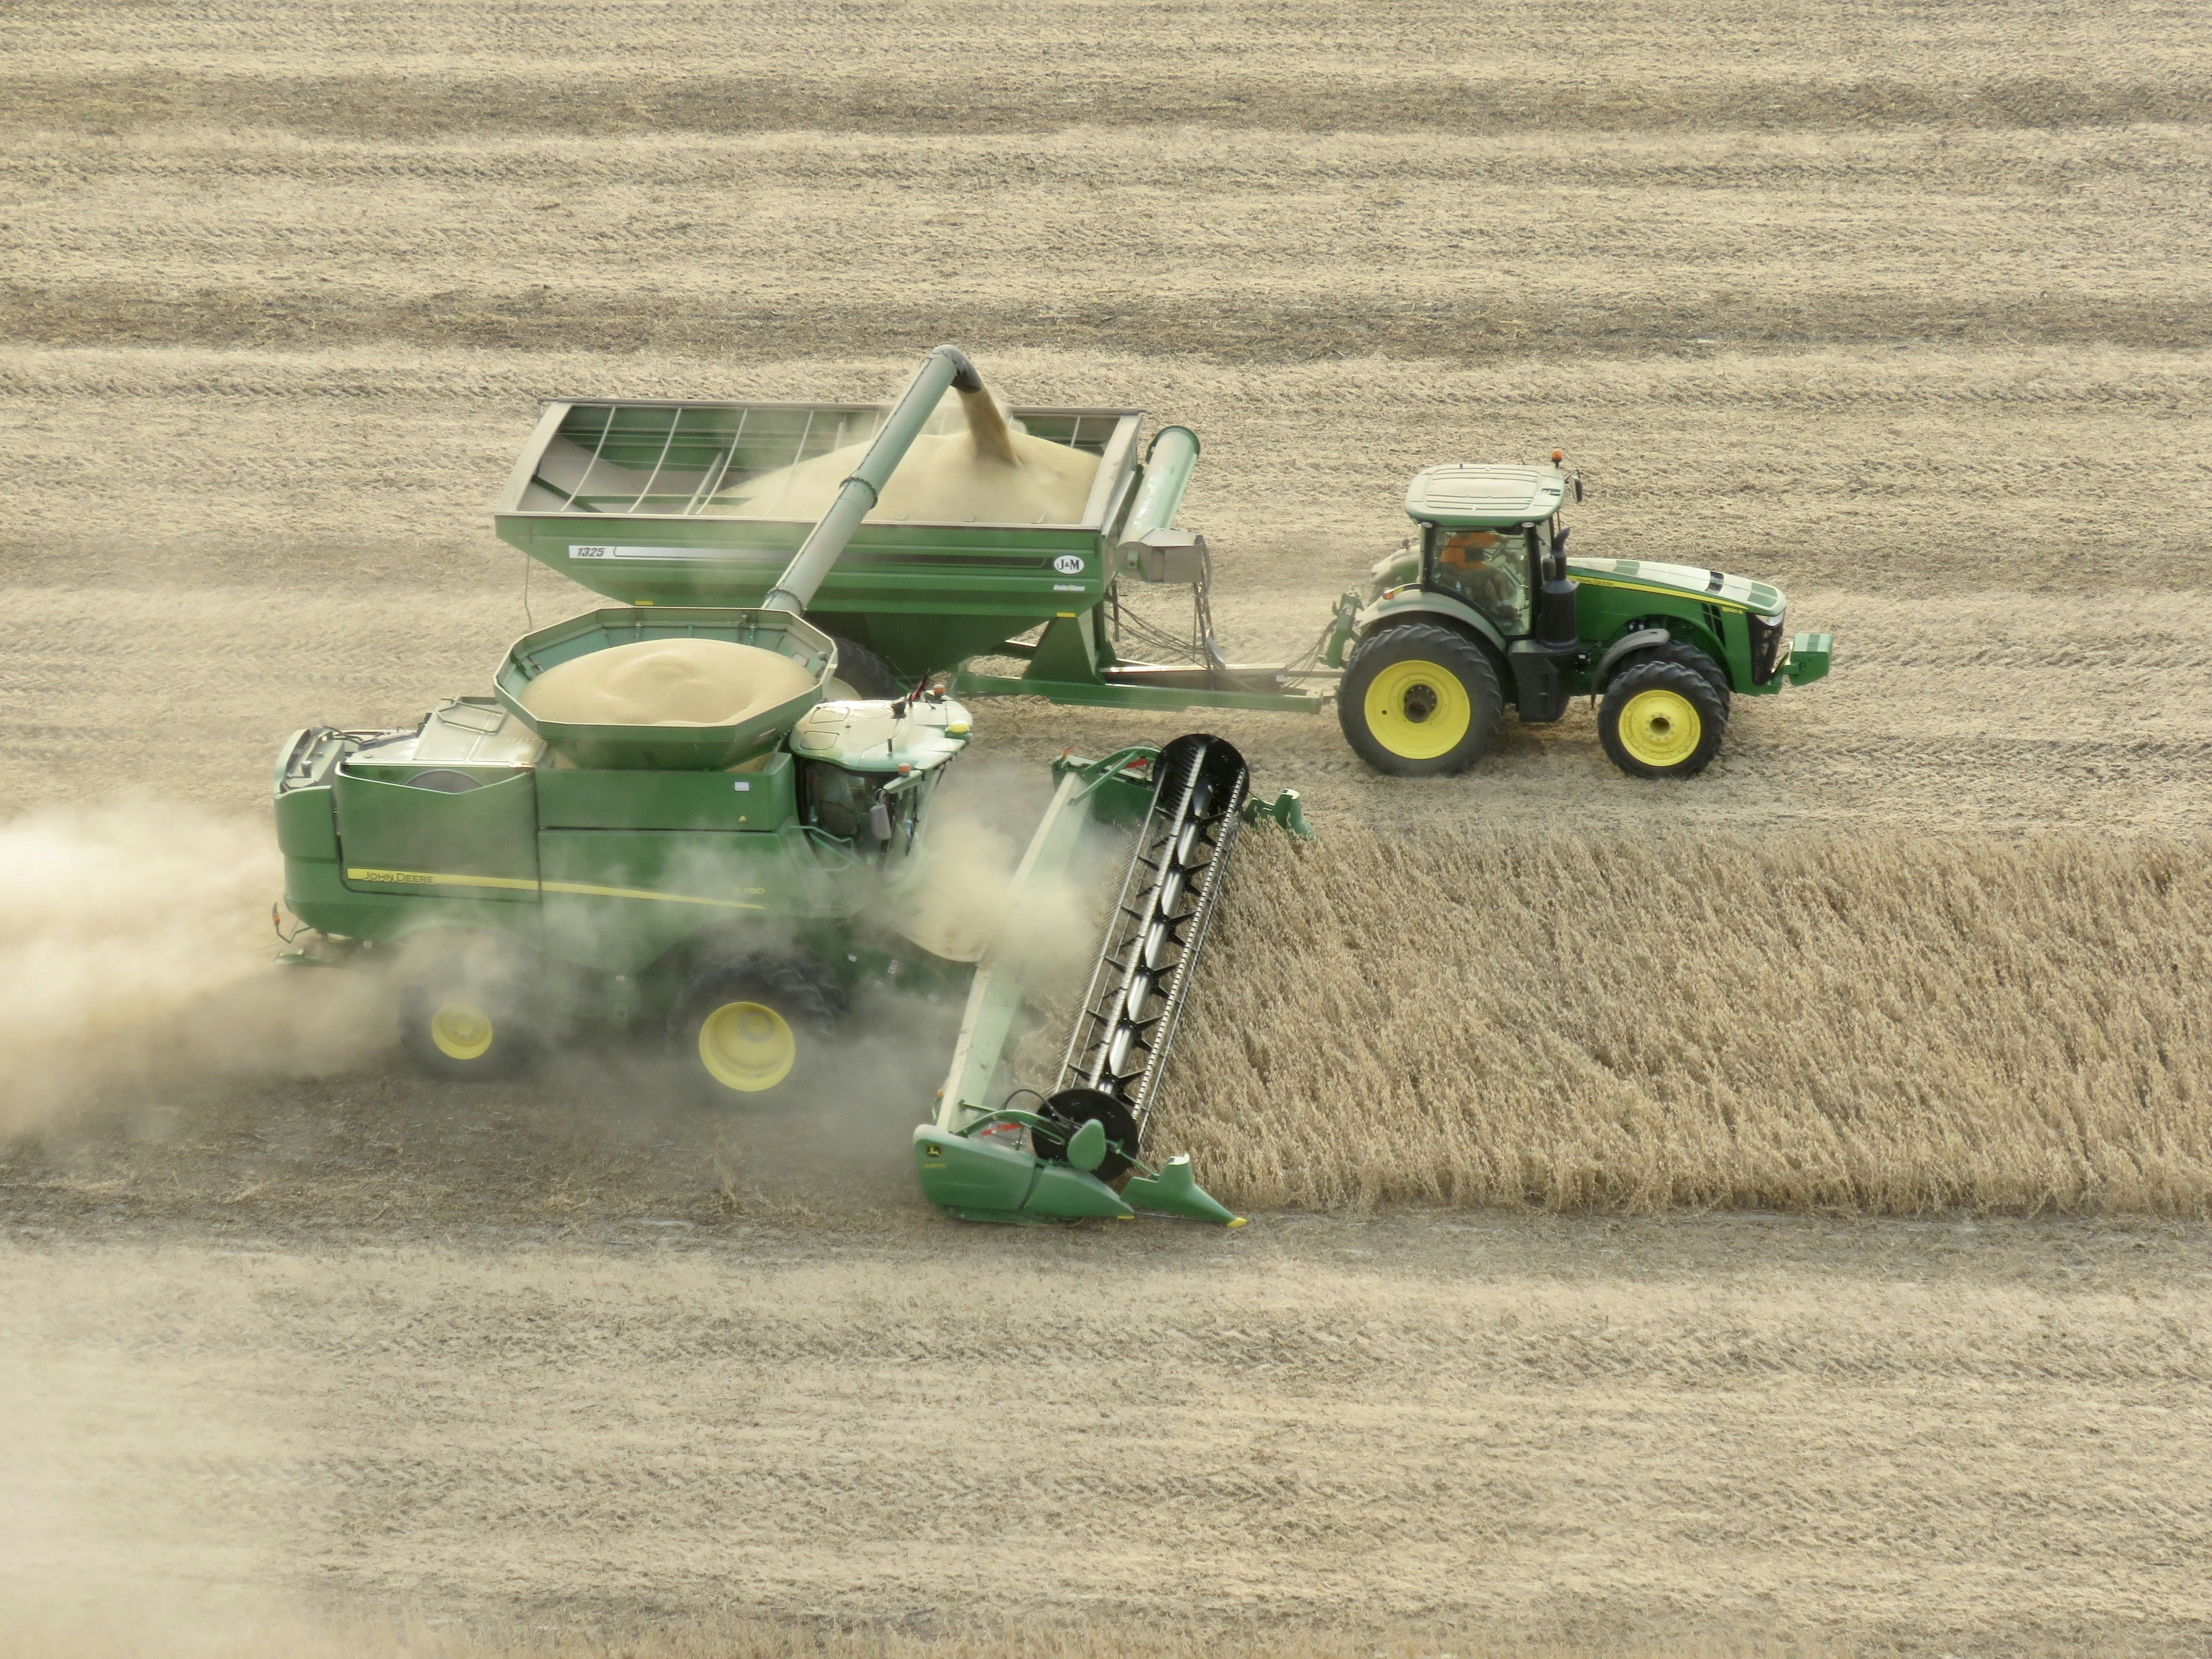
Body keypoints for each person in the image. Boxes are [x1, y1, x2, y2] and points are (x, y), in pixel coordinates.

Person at [1434, 529, 1524, 626]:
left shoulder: (1478, 535)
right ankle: (1498, 608)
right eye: (1461, 530)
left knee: (1502, 576)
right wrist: (1461, 572)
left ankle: (1506, 604)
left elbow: (1495, 537)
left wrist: (1503, 537)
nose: (1465, 533)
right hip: (1466, 573)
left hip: (1482, 568)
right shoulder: (1452, 543)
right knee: (1487, 583)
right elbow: (1445, 563)